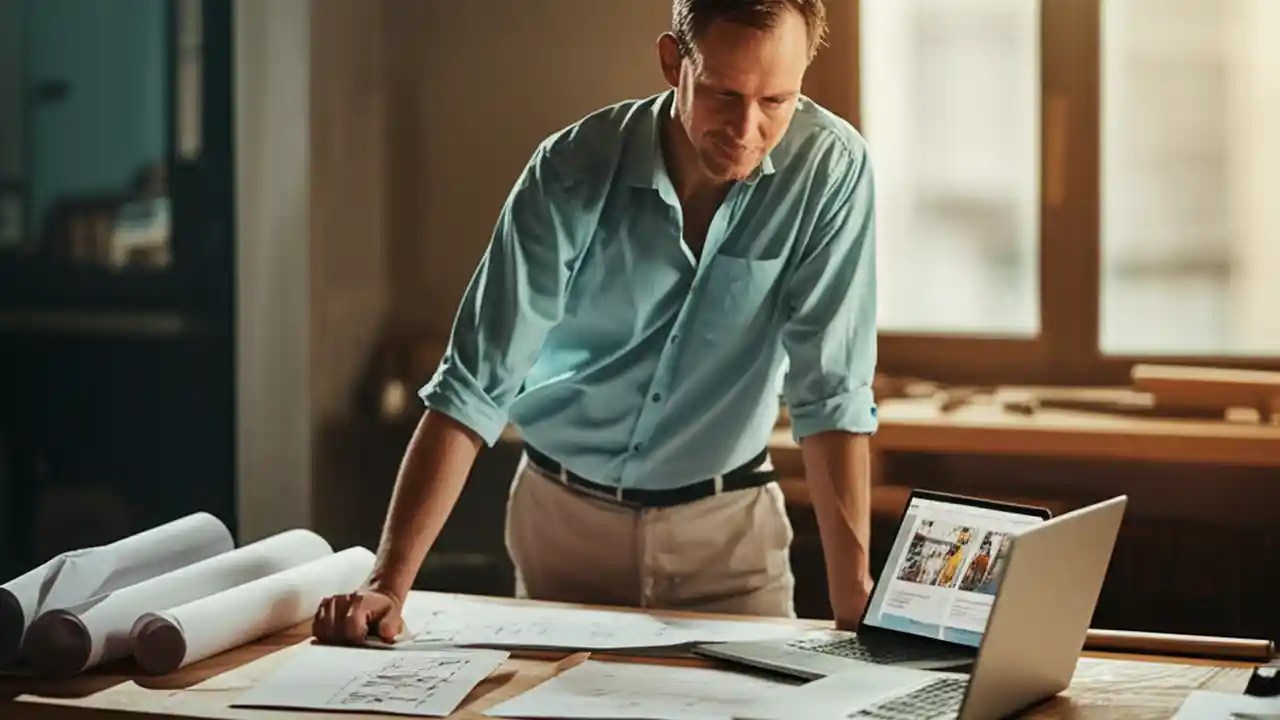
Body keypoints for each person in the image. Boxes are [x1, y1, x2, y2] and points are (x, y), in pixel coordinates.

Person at [313, 0, 879, 645]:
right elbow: (472, 387)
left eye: (776, 100)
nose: (747, 128)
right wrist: (389, 584)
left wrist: (853, 601)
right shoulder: (570, 167)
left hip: (727, 534)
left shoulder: (831, 169)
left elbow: (831, 393)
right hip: (564, 522)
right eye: (724, 94)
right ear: (672, 61)